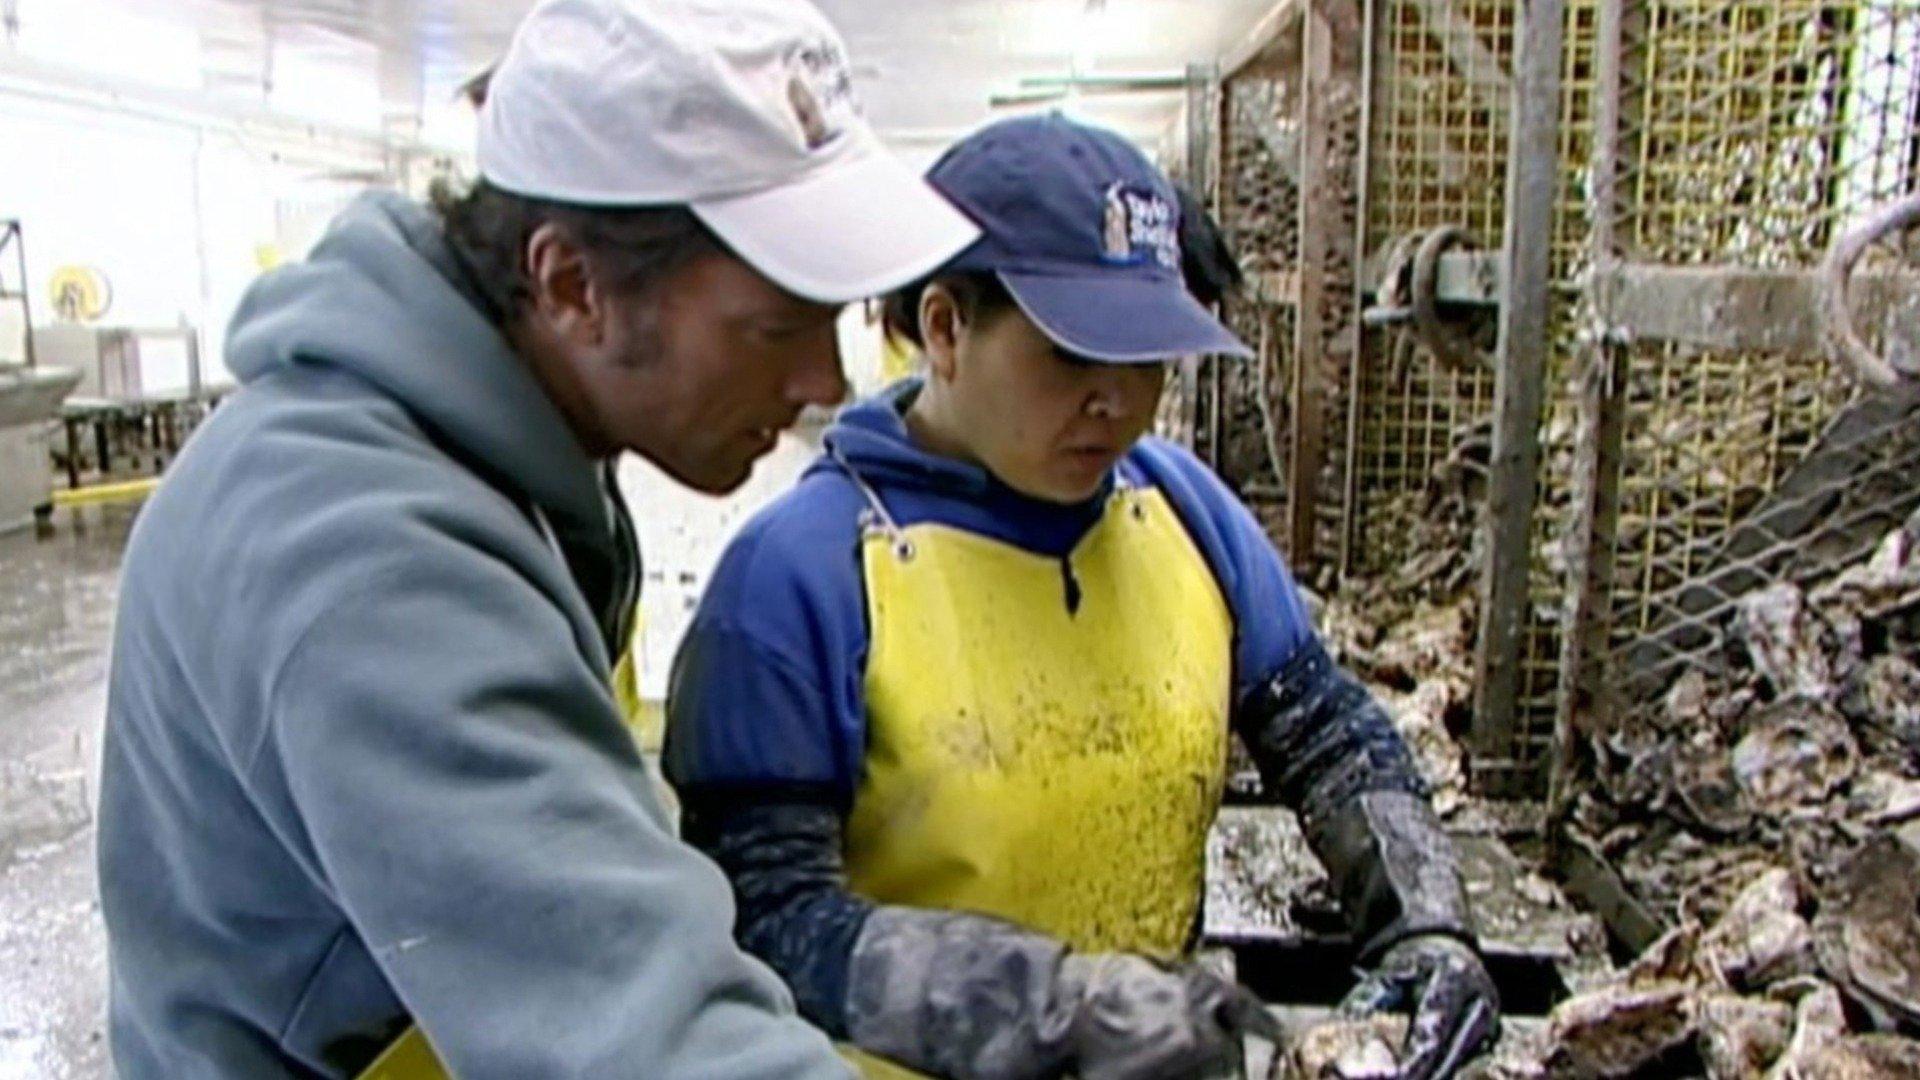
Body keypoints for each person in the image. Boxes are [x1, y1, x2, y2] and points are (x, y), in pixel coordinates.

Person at [94, 0, 978, 1075]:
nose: (820, 386)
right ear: (572, 285)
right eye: (776, 327)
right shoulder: (366, 556)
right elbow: (647, 1045)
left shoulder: (517, 457)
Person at [664, 114, 1501, 1080]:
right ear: (944, 327)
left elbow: (1325, 730)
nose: (1116, 400)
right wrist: (1054, 1011)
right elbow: (767, 918)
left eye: (1144, 359)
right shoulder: (797, 578)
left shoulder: (1187, 513)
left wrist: (1426, 925)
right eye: (1069, 355)